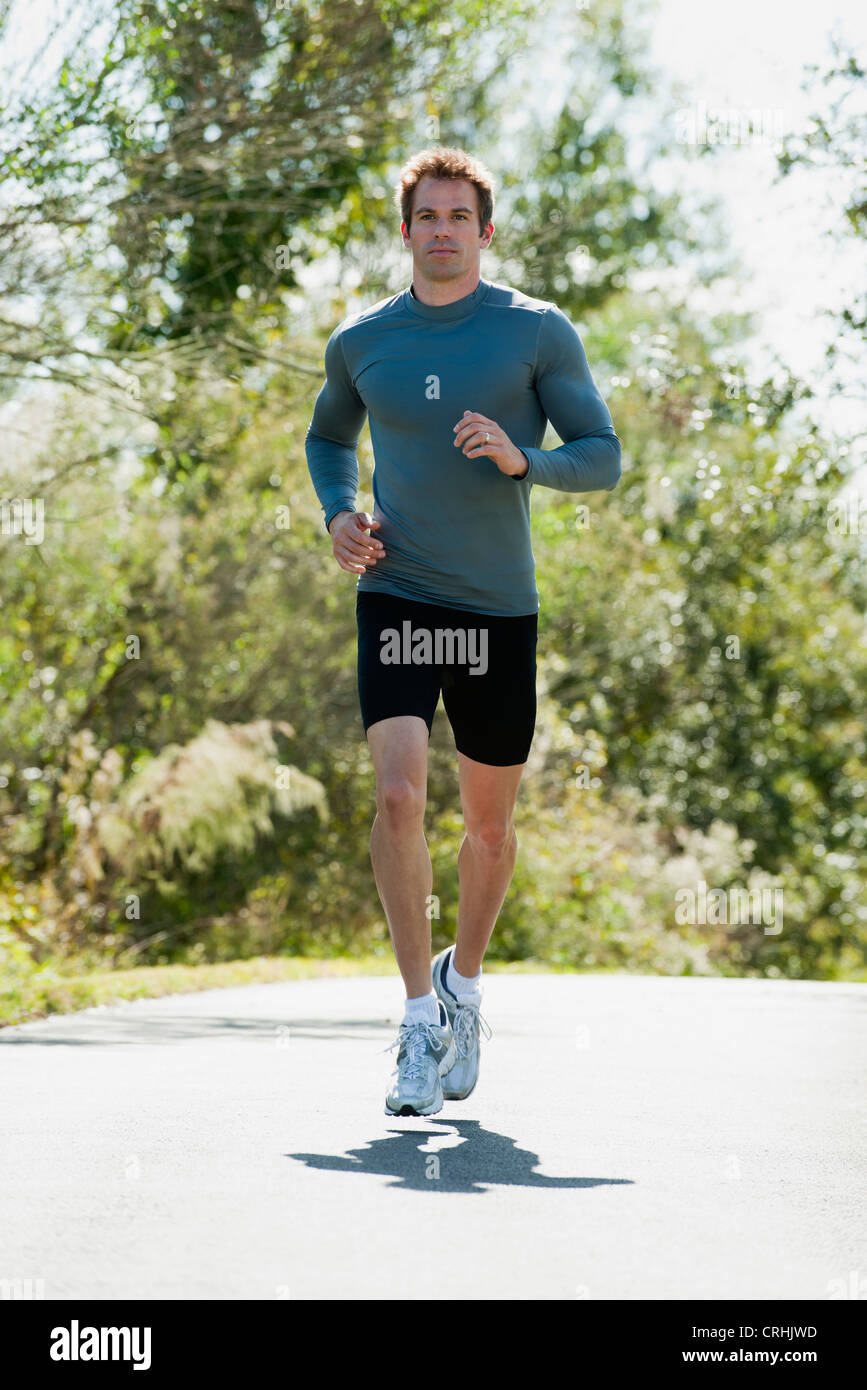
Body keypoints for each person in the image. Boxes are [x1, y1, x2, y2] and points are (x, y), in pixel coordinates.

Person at [305, 146, 622, 1116]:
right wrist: (338, 512)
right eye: (426, 216)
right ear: (405, 231)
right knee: (399, 795)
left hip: (496, 606)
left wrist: (523, 459)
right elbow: (329, 437)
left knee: (488, 828)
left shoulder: (534, 331)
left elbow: (602, 457)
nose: (441, 231)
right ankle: (412, 1020)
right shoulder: (362, 340)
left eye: (459, 217)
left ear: (485, 233)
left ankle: (464, 985)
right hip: (398, 591)